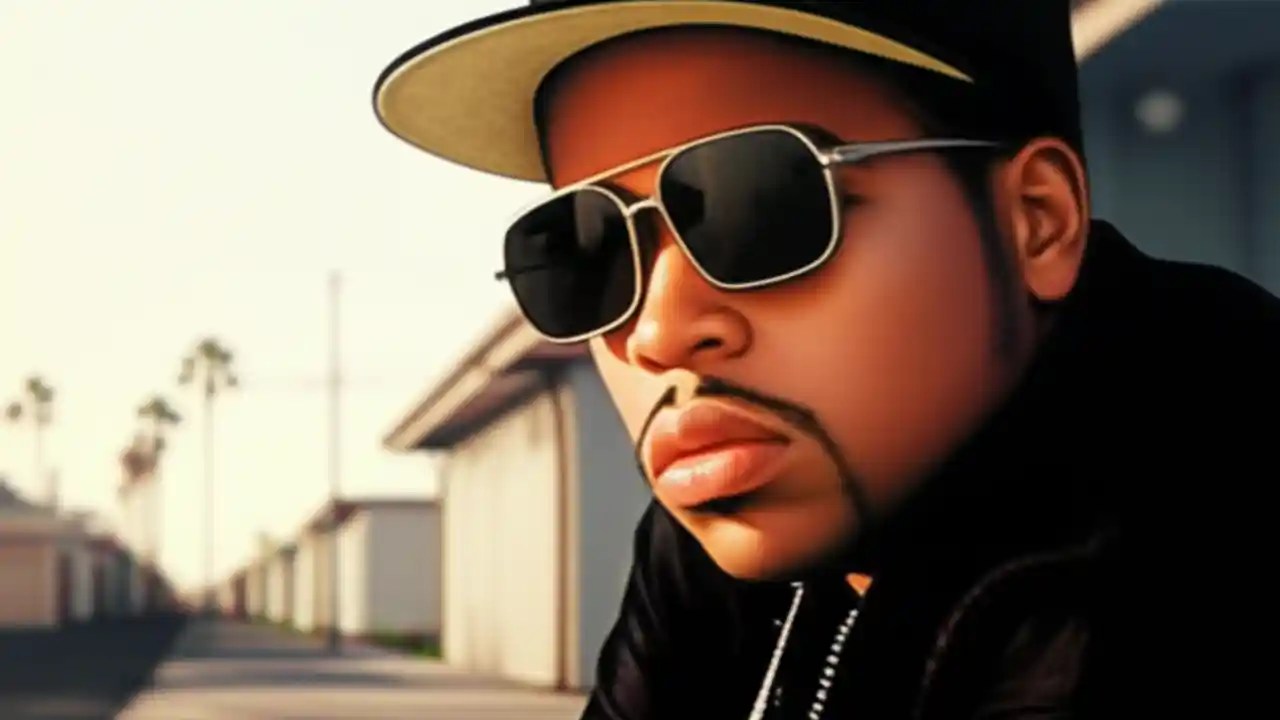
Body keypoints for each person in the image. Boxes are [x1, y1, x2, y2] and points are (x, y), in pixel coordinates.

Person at [372, 2, 1280, 717]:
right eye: (584, 249)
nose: (659, 330)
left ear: (1035, 222)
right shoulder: (720, 521)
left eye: (759, 205)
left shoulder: (1197, 533)